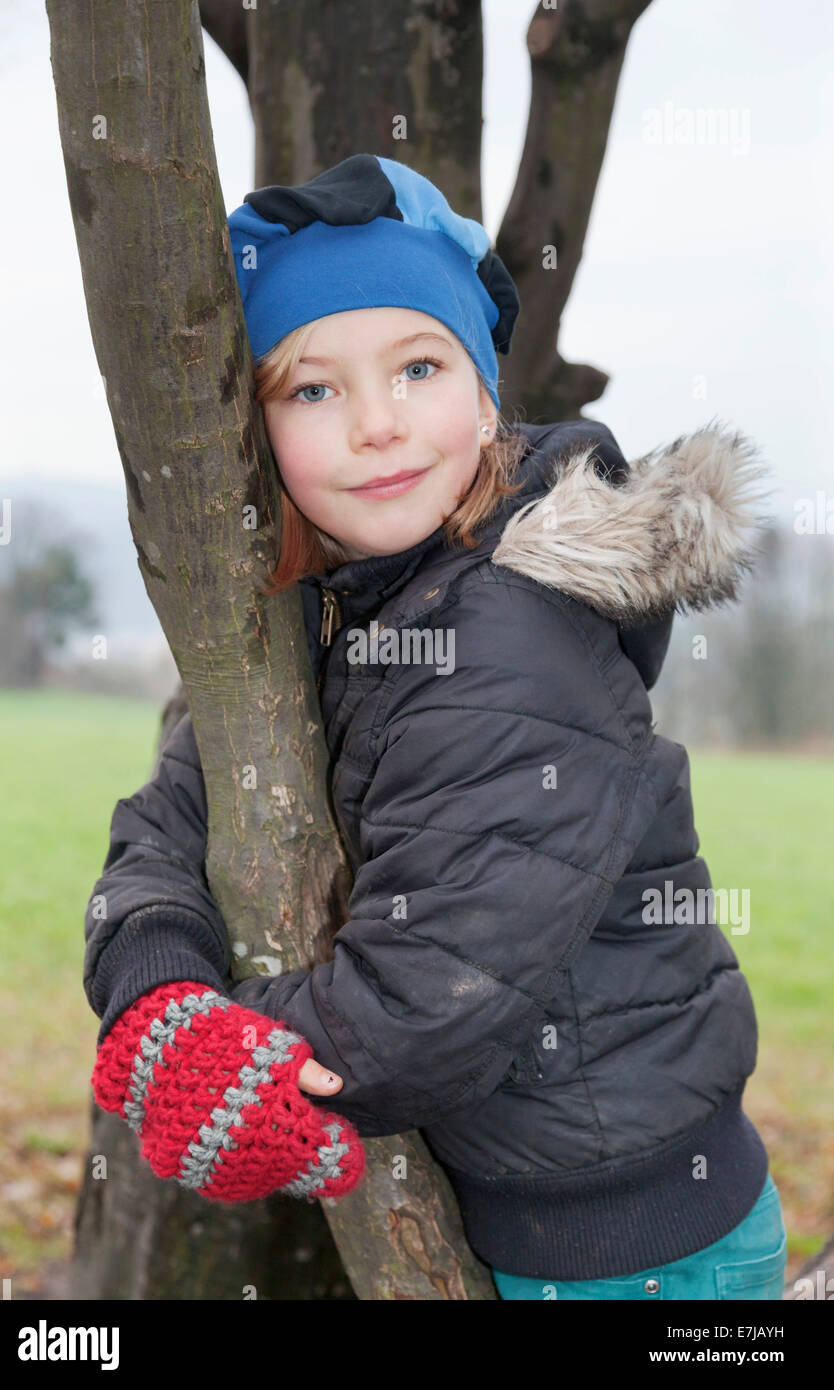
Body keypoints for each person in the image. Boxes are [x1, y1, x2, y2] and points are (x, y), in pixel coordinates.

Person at [85, 153, 787, 1299]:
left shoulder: (511, 629)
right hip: (531, 1221)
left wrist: (221, 1051)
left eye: (417, 366)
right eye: (311, 389)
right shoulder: (327, 613)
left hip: (638, 1251)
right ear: (255, 436)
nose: (376, 425)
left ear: (484, 389)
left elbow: (426, 1002)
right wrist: (158, 991)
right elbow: (167, 824)